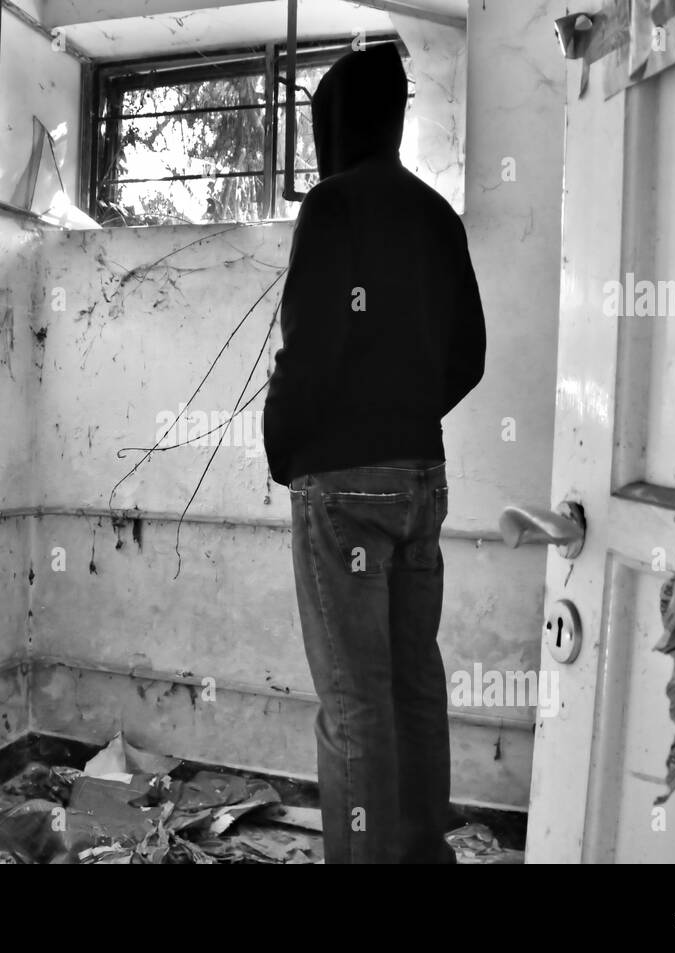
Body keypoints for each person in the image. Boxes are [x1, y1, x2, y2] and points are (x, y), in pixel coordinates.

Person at [262, 42, 486, 864]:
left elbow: (310, 348)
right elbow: (469, 354)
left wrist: (285, 446)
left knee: (353, 702)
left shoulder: (333, 206)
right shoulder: (437, 214)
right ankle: (424, 855)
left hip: (345, 489)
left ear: (335, 123)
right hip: (422, 480)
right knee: (413, 685)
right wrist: (404, 414)